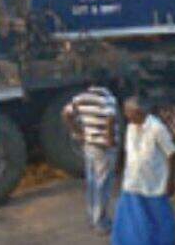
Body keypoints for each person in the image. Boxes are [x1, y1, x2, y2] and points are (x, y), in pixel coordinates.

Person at [112, 97, 175, 245]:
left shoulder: (157, 128)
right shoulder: (130, 127)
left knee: (158, 219)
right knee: (132, 220)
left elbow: (172, 153)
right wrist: (120, 168)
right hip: (133, 182)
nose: (126, 115)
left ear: (138, 111)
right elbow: (128, 152)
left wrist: (171, 180)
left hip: (153, 183)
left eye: (128, 112)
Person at [62, 74, 120, 235]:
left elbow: (66, 113)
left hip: (89, 145)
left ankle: (92, 217)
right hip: (104, 147)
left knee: (92, 182)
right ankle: (101, 222)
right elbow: (110, 117)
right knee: (104, 184)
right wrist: (109, 139)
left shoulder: (80, 98)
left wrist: (77, 132)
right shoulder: (107, 97)